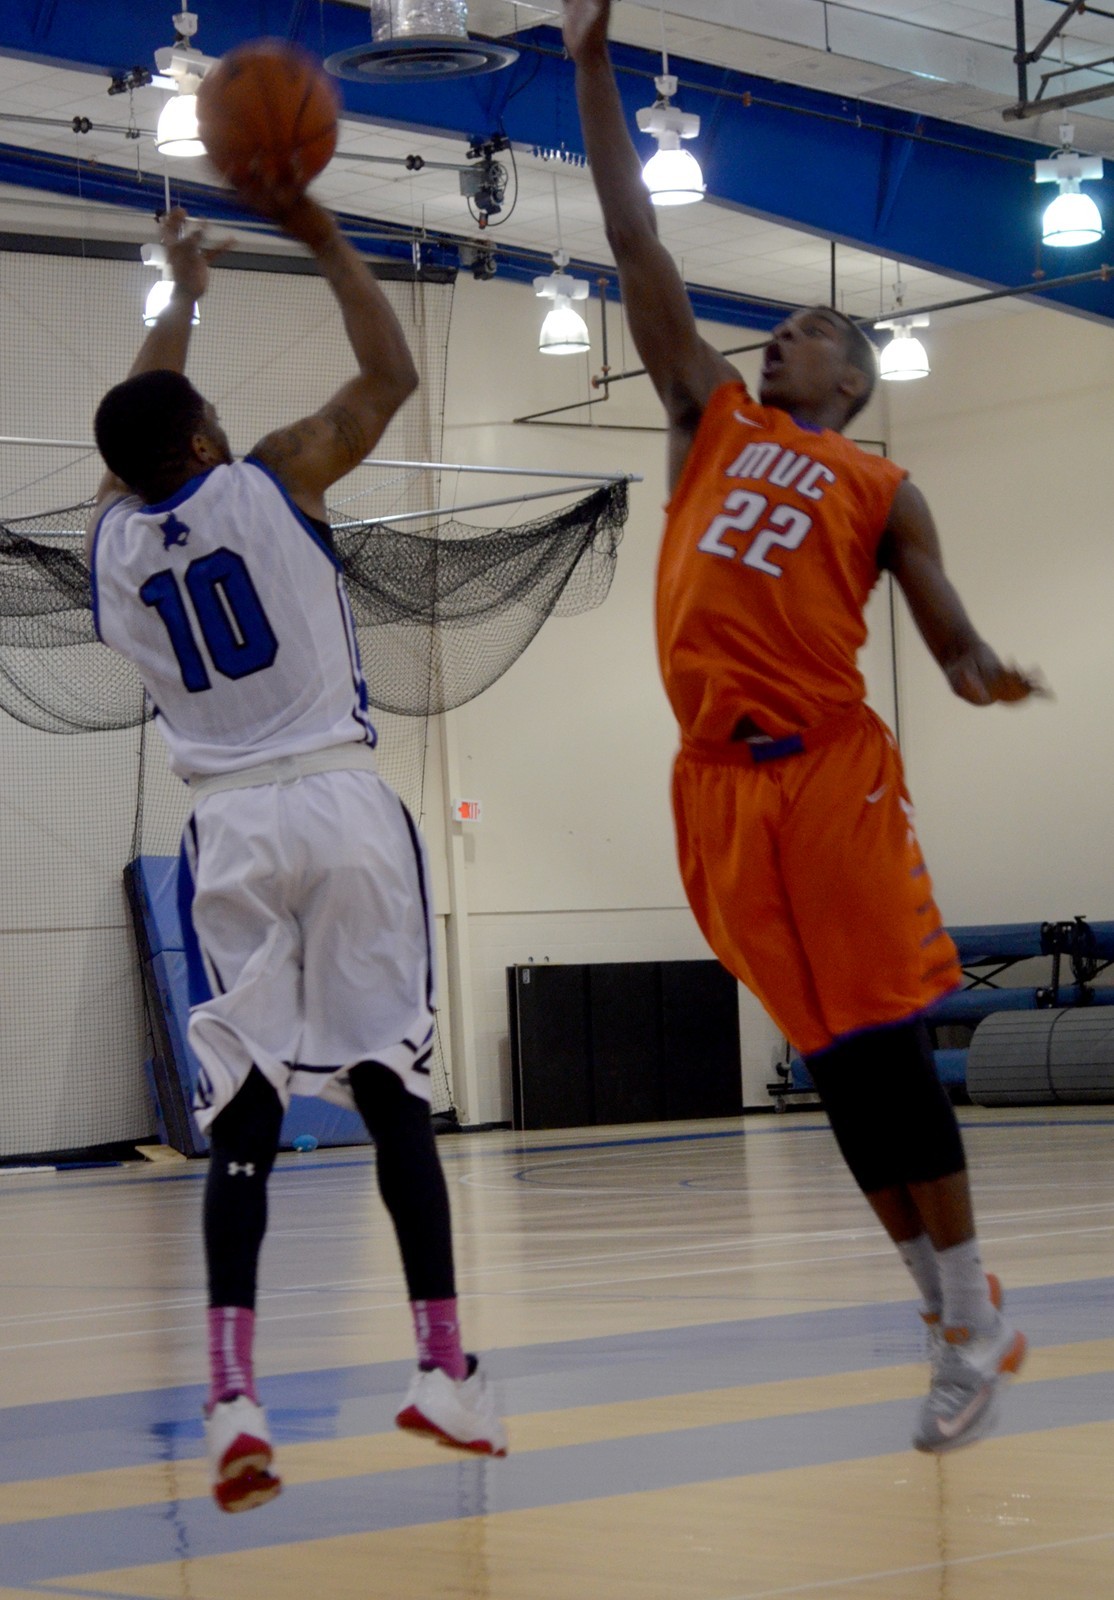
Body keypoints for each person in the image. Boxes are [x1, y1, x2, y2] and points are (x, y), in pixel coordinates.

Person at [562, 0, 1044, 1454]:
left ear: (857, 382)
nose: (786, 333)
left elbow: (946, 631)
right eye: (781, 324)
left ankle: (970, 1312)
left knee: (887, 1047)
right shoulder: (712, 422)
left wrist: (976, 669)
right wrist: (587, 65)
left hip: (826, 770)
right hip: (714, 788)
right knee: (832, 1068)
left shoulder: (878, 488)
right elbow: (639, 250)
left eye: (816, 330)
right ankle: (951, 1313)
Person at [86, 194, 506, 1513]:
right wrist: (318, 235)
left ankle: (232, 1393)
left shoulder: (105, 537)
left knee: (248, 1115)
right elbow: (391, 374)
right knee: (388, 1087)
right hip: (336, 797)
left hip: (224, 829)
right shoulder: (275, 473)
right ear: (207, 437)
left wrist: (178, 299)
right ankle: (441, 1366)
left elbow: (129, 434)